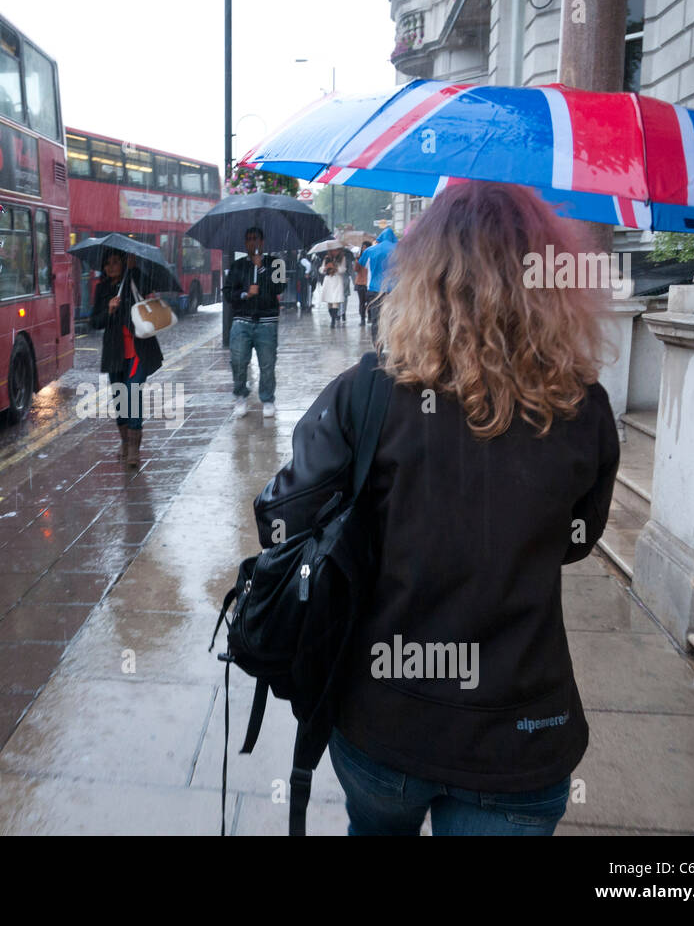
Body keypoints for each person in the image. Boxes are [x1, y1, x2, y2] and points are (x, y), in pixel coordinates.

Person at [254, 181, 618, 835]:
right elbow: (578, 537)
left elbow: (282, 517)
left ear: (421, 277)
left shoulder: (366, 394)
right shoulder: (581, 406)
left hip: (384, 721)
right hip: (523, 733)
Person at [88, 248, 164, 468]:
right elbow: (95, 322)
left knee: (132, 391)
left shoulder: (134, 280)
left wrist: (134, 269)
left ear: (123, 263)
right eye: (107, 263)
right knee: (120, 397)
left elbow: (152, 284)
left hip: (139, 347)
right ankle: (124, 441)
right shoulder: (102, 289)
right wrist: (109, 310)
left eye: (115, 262)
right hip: (115, 351)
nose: (111, 267)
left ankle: (134, 449)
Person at [223, 226, 283, 418]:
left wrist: (261, 268)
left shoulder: (276, 263)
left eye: (256, 239)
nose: (253, 243)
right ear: (245, 243)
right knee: (238, 361)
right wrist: (245, 294)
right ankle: (240, 395)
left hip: (267, 321)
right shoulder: (237, 266)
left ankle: (267, 398)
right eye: (249, 239)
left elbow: (279, 287)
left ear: (262, 242)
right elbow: (228, 293)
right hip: (242, 320)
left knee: (267, 363)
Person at [358, 227, 396, 342]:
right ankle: (393, 342)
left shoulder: (370, 250)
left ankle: (377, 343)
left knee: (376, 318)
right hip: (395, 290)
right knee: (394, 318)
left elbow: (361, 265)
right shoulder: (402, 250)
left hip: (375, 289)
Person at [319, 248, 349, 328]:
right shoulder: (326, 258)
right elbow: (321, 269)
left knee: (335, 301)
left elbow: (343, 269)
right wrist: (325, 268)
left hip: (337, 280)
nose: (334, 252)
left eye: (335, 250)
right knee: (329, 302)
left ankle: (333, 320)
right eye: (332, 250)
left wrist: (335, 268)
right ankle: (332, 316)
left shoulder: (342, 258)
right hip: (328, 280)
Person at [354, 238, 373, 326]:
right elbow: (356, 270)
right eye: (363, 247)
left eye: (366, 247)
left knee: (370, 302)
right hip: (360, 283)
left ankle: (370, 316)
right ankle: (362, 319)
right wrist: (358, 261)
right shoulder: (359, 258)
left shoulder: (372, 257)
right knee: (362, 302)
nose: (364, 249)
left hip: (369, 283)